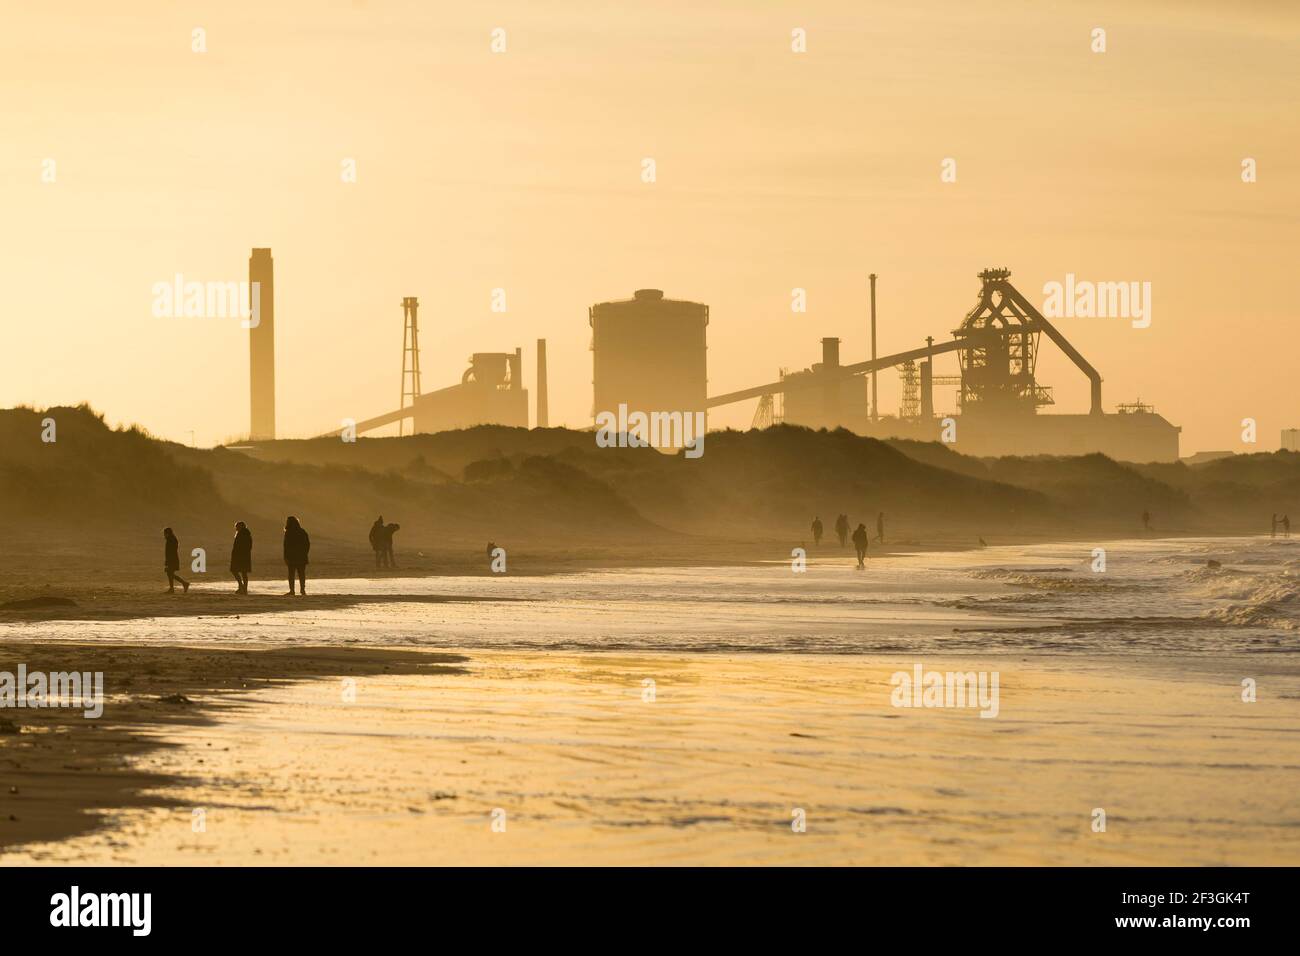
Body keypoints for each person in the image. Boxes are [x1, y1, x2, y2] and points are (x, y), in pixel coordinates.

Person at [283, 515, 311, 596]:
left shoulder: (288, 532)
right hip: (301, 557)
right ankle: (302, 590)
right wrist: (305, 553)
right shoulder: (302, 531)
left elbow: (286, 546)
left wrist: (286, 556)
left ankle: (292, 591)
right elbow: (307, 544)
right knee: (301, 574)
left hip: (291, 557)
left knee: (291, 574)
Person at [163, 527, 190, 594]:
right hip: (173, 559)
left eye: (165, 533)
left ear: (168, 533)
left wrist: (168, 561)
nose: (164, 535)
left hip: (172, 559)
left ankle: (182, 584)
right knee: (170, 573)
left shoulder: (171, 540)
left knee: (170, 573)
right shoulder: (172, 539)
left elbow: (170, 551)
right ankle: (181, 585)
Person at [230, 521, 252, 594]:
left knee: (236, 571)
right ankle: (243, 588)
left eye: (237, 526)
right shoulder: (245, 534)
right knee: (243, 572)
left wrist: (238, 554)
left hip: (240, 556)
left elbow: (243, 546)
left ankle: (242, 587)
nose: (236, 528)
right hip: (244, 556)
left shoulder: (243, 534)